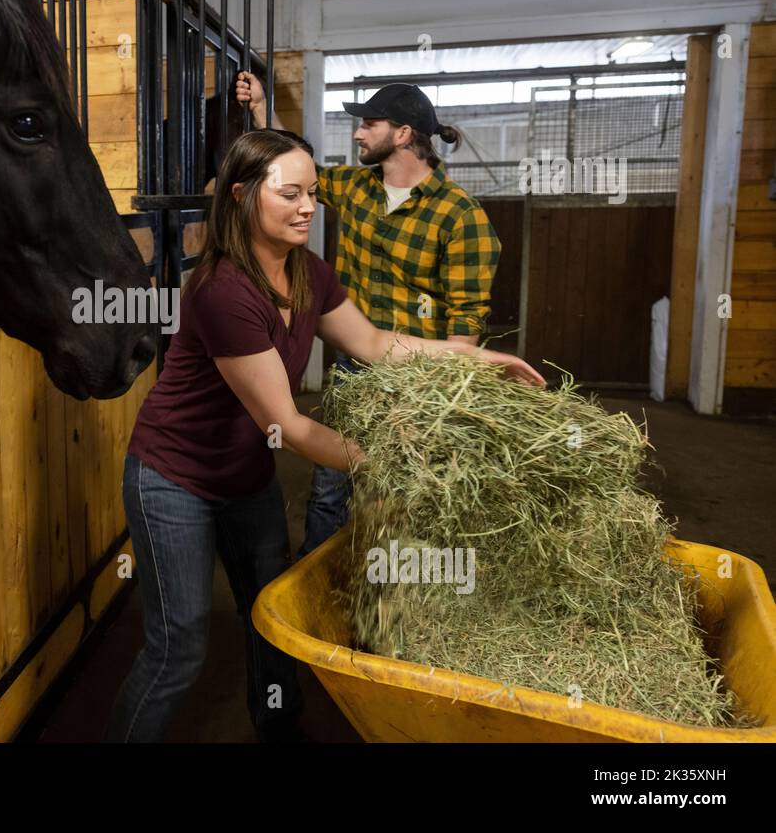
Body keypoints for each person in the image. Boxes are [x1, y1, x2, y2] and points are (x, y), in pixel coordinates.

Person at [102, 130, 541, 743]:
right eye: (290, 194)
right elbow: (290, 425)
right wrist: (389, 462)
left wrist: (476, 360)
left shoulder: (308, 270)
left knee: (271, 616)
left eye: (311, 193)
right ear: (242, 196)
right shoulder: (222, 291)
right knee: (179, 648)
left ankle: (279, 729)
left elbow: (375, 344)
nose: (309, 206)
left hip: (246, 477)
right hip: (175, 478)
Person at [235, 74, 501, 559]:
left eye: (368, 124)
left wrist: (451, 395)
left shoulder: (461, 217)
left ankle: (397, 602)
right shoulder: (355, 187)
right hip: (354, 372)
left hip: (418, 380)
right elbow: (298, 167)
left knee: (404, 496)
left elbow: (467, 321)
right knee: (331, 490)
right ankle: (316, 586)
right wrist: (260, 108)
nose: (357, 133)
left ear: (402, 135)